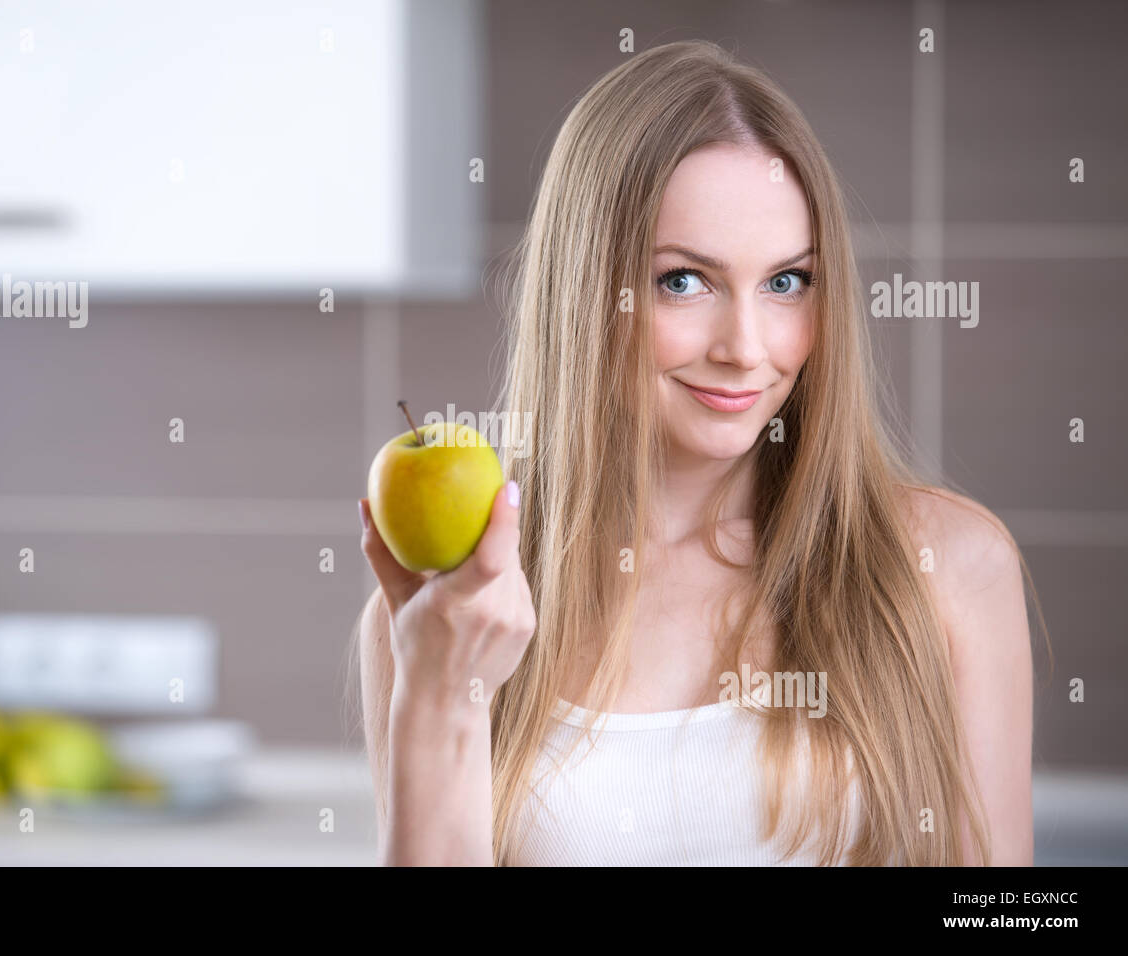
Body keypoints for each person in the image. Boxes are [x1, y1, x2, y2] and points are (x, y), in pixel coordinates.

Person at [353, 39, 1037, 866]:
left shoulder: (947, 566)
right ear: (586, 291)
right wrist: (441, 697)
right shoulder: (452, 614)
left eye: (786, 282)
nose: (745, 348)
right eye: (683, 281)